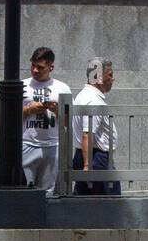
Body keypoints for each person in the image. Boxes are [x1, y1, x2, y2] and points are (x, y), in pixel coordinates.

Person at [21, 47, 70, 196]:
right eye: (33, 66)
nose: (35, 70)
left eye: (40, 67)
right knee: (24, 190)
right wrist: (29, 110)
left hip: (52, 145)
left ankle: (42, 219)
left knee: (47, 193)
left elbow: (69, 122)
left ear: (51, 67)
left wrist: (57, 111)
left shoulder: (62, 88)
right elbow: (8, 118)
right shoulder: (22, 86)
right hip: (27, 143)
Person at [71, 57, 120, 196]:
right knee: (109, 204)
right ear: (98, 77)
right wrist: (88, 166)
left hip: (87, 156)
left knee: (84, 203)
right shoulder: (93, 100)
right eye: (110, 74)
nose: (113, 79)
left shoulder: (83, 95)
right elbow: (87, 134)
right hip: (96, 159)